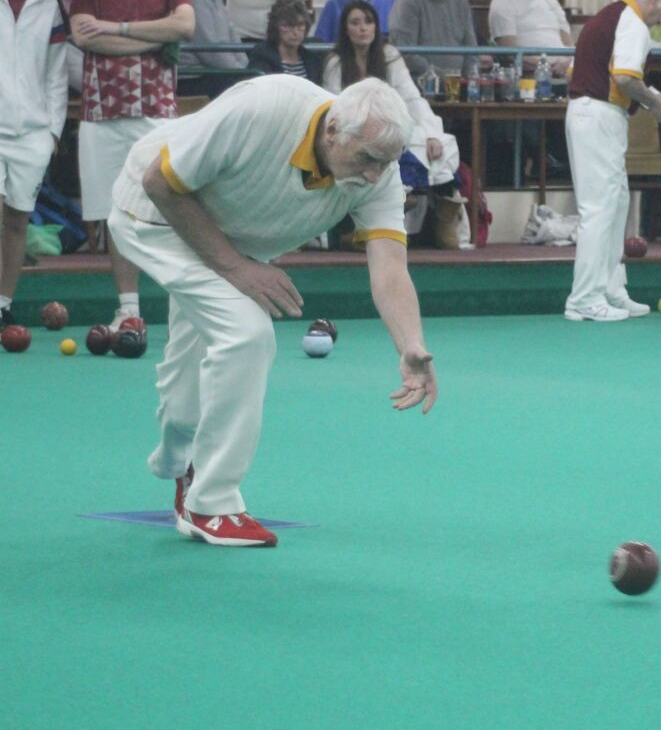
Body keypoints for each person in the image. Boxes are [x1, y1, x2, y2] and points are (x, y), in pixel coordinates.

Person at [108, 75, 437, 547]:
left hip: (224, 236)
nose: (374, 175)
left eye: (386, 163)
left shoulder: (378, 173)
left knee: (186, 392)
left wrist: (411, 346)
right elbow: (160, 182)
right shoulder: (263, 110)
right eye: (367, 159)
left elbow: (389, 266)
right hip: (157, 217)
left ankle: (180, 463)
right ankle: (213, 504)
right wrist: (237, 268)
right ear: (332, 131)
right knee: (247, 334)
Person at [69, 0, 194, 329]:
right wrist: (151, 37)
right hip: (102, 115)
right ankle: (128, 309)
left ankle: (186, 304)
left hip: (158, 113)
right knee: (115, 217)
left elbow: (184, 27)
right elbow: (86, 37)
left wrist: (118, 29)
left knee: (170, 211)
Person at [563, 0, 661, 322]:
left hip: (594, 114)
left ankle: (611, 288)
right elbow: (625, 77)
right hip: (599, 115)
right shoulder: (634, 22)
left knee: (616, 203)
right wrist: (655, 102)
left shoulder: (609, 15)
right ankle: (584, 298)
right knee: (599, 209)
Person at [0, 0, 67, 327]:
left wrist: (53, 132)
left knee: (17, 219)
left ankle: (3, 305)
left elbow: (56, 75)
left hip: (33, 134)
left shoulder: (49, 1)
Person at [323, 0, 459, 194]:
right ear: (345, 29)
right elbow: (332, 106)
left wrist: (432, 134)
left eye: (368, 22)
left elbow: (412, 98)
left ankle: (424, 198)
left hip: (390, 127)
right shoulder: (335, 63)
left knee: (439, 145)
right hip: (353, 132)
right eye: (355, 23)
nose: (363, 28)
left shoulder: (389, 55)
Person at [247, 0, 324, 83]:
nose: (295, 32)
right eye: (288, 26)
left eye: (300, 25)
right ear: (275, 26)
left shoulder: (312, 59)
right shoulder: (262, 57)